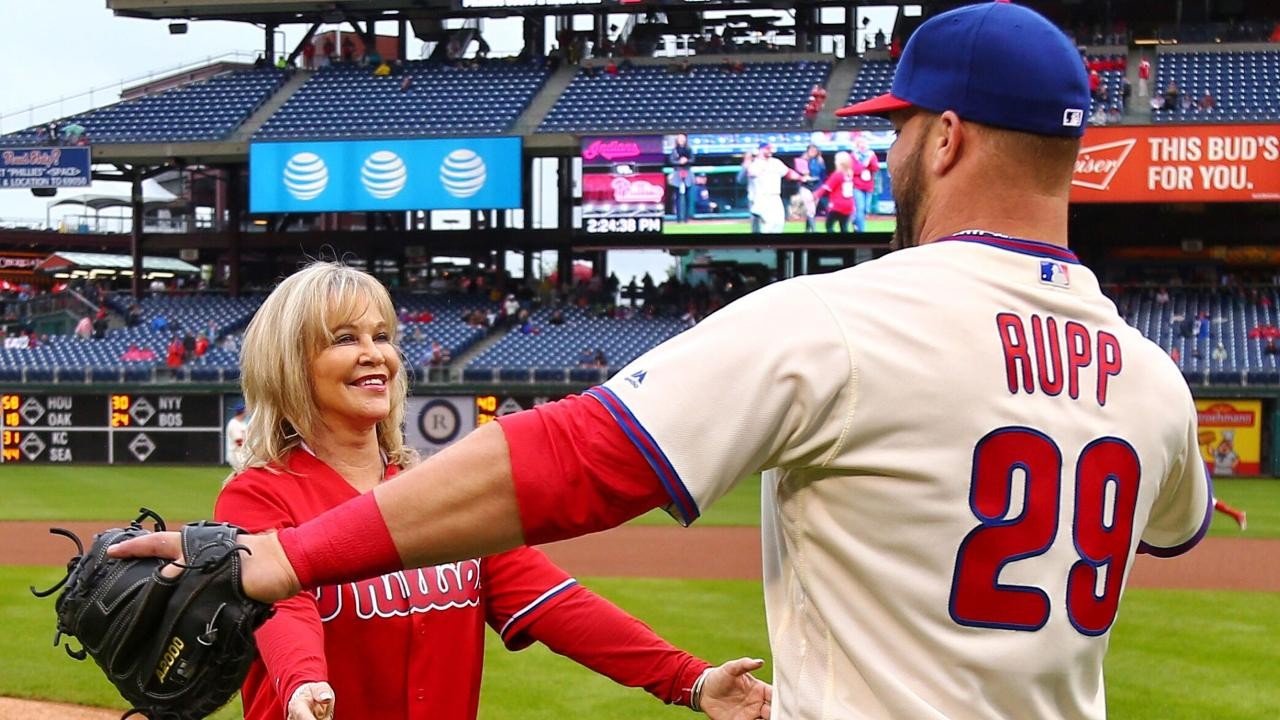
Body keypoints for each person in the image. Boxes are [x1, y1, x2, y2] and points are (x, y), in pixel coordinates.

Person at [115, 5, 1213, 719]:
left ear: (944, 138)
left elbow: (563, 464)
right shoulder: (1150, 380)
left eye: (897, 128)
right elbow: (1176, 525)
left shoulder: (834, 322)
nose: (888, 151)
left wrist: (271, 564)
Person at [210, 263, 771, 720]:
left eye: (381, 336)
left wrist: (691, 680)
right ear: (290, 365)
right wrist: (303, 681)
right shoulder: (258, 497)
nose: (373, 353)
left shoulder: (433, 495)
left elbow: (559, 605)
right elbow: (284, 602)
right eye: (343, 339)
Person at [747, 142, 802, 233]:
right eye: (767, 149)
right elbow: (750, 173)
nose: (770, 151)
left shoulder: (775, 162)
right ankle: (764, 246)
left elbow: (788, 173)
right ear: (760, 150)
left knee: (779, 223)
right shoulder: (755, 163)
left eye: (771, 149)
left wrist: (801, 178)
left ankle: (775, 245)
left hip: (776, 196)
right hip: (762, 197)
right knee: (769, 225)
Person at [811, 150, 855, 233]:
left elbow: (827, 187)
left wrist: (816, 195)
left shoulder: (838, 174)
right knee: (844, 226)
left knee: (829, 226)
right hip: (849, 204)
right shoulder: (850, 174)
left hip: (837, 204)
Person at [849, 136, 880, 232]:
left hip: (869, 186)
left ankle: (854, 222)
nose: (862, 146)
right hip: (857, 186)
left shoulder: (871, 155)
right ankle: (861, 231)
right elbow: (854, 170)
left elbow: (875, 168)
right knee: (860, 209)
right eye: (860, 144)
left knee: (866, 209)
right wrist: (864, 165)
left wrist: (869, 162)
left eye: (864, 144)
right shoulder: (853, 156)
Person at [669, 133, 697, 223]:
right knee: (677, 197)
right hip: (677, 172)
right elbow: (671, 161)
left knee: (688, 197)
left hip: (687, 172)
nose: (681, 140)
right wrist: (679, 162)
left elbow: (693, 160)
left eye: (683, 138)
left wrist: (686, 161)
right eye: (680, 138)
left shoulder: (689, 149)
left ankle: (686, 218)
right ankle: (678, 219)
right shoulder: (674, 150)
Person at [225, 402, 248, 472]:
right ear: (243, 411)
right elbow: (239, 441)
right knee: (242, 474)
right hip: (236, 453)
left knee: (242, 474)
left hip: (241, 453)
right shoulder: (234, 424)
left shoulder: (242, 423)